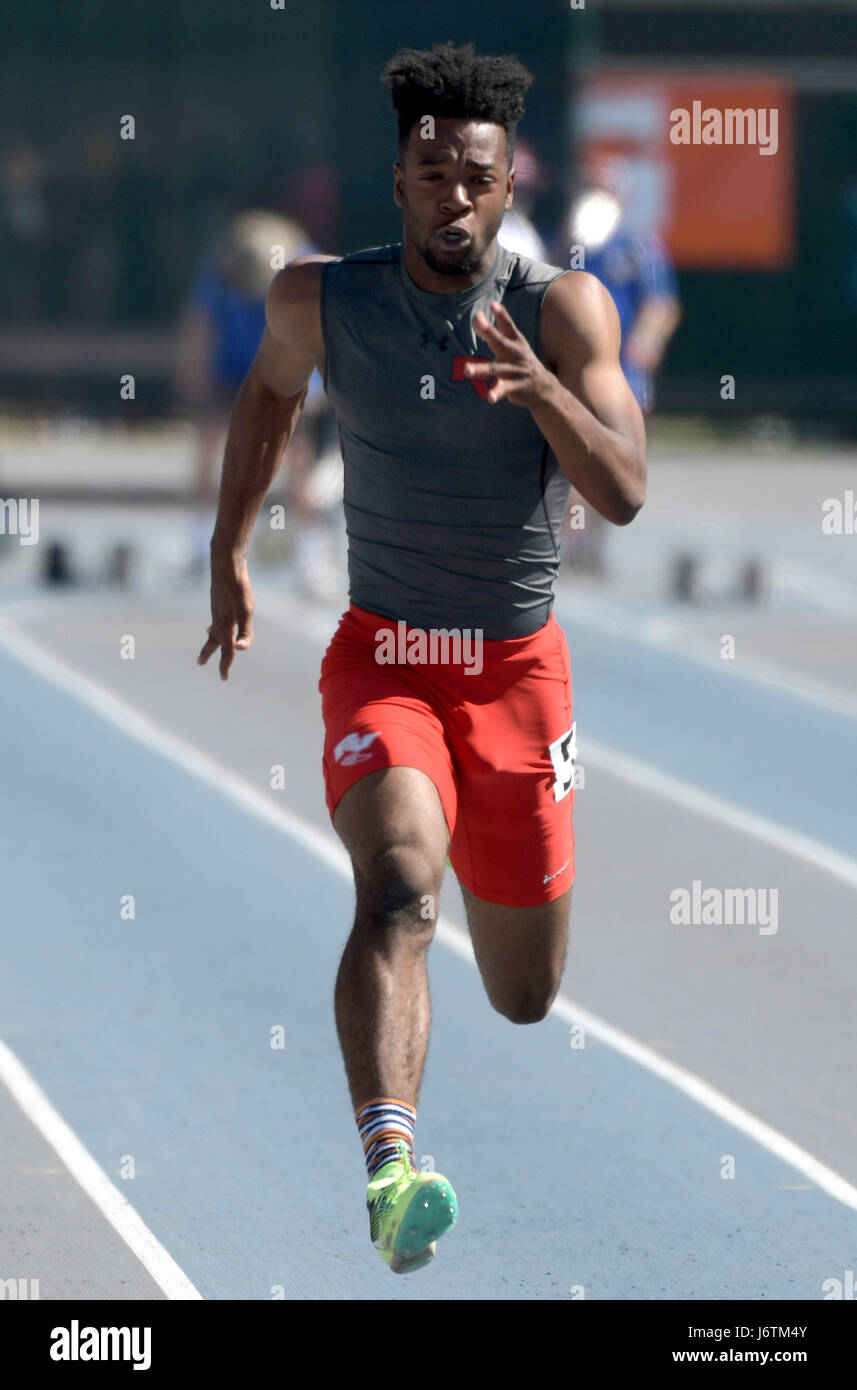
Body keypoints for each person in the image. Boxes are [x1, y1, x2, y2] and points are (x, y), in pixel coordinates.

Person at [197, 42, 646, 1274]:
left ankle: (506, 884)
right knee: (396, 884)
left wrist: (544, 390)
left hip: (515, 670)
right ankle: (392, 1169)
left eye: (476, 178)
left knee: (522, 993)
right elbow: (267, 397)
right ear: (395, 180)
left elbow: (624, 492)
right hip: (385, 653)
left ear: (509, 189)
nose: (453, 196)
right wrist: (231, 545)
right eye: (430, 172)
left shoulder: (565, 310)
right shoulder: (319, 297)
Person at [557, 157, 680, 572]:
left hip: (623, 375)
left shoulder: (638, 246)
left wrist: (646, 343)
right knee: (575, 460)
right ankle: (575, 546)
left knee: (616, 466)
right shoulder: (570, 244)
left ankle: (593, 545)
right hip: (576, 371)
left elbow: (661, 304)